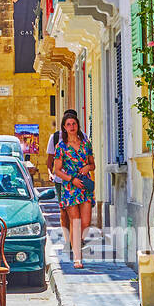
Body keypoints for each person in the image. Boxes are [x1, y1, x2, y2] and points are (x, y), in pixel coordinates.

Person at [51, 109, 96, 269]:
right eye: (68, 124)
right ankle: (78, 258)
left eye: (74, 124)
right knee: (75, 221)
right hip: (70, 187)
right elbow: (57, 170)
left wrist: (87, 168)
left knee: (86, 222)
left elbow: (93, 165)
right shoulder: (61, 146)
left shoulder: (86, 143)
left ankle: (78, 241)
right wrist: (72, 179)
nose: (71, 126)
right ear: (64, 127)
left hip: (84, 185)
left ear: (77, 126)